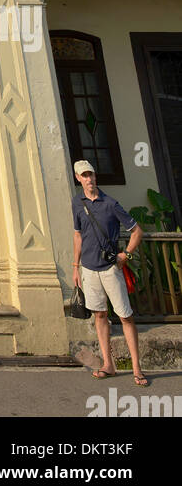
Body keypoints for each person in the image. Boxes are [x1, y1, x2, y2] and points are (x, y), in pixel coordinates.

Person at [71, 159, 147, 385]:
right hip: (89, 268)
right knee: (100, 315)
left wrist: (127, 254)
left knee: (125, 316)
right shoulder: (77, 203)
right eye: (84, 176)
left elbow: (137, 232)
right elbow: (77, 235)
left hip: (110, 268)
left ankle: (137, 368)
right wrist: (75, 267)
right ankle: (108, 364)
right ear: (78, 179)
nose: (89, 179)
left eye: (91, 175)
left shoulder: (110, 203)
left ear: (95, 177)